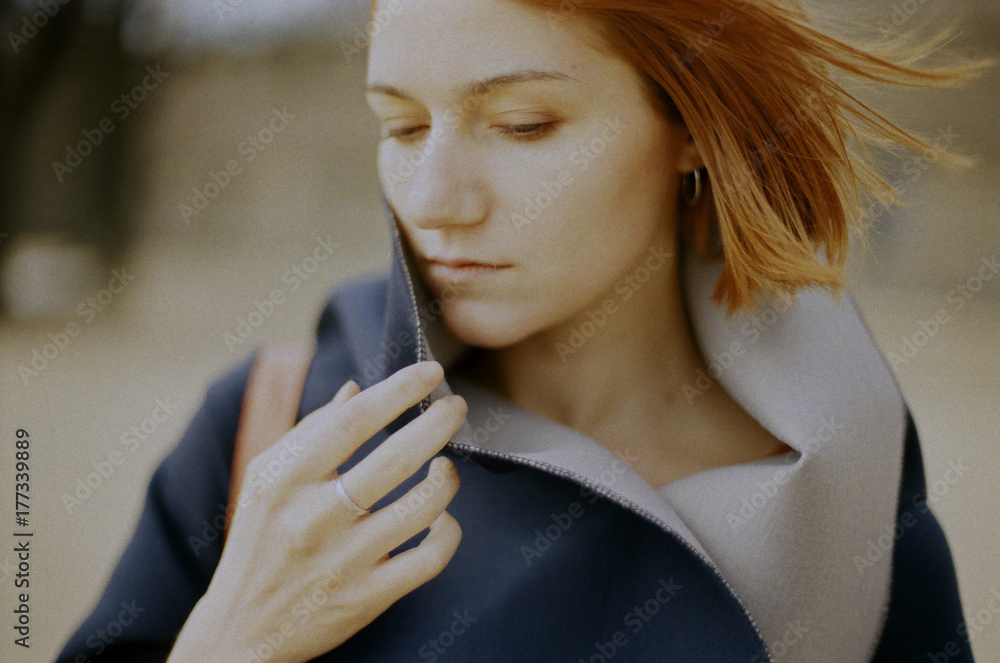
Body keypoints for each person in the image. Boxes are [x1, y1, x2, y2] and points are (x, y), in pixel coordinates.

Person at [57, 1, 981, 661]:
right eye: (402, 126)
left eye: (522, 124)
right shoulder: (271, 435)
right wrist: (232, 644)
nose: (432, 201)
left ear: (692, 124)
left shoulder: (854, 506)